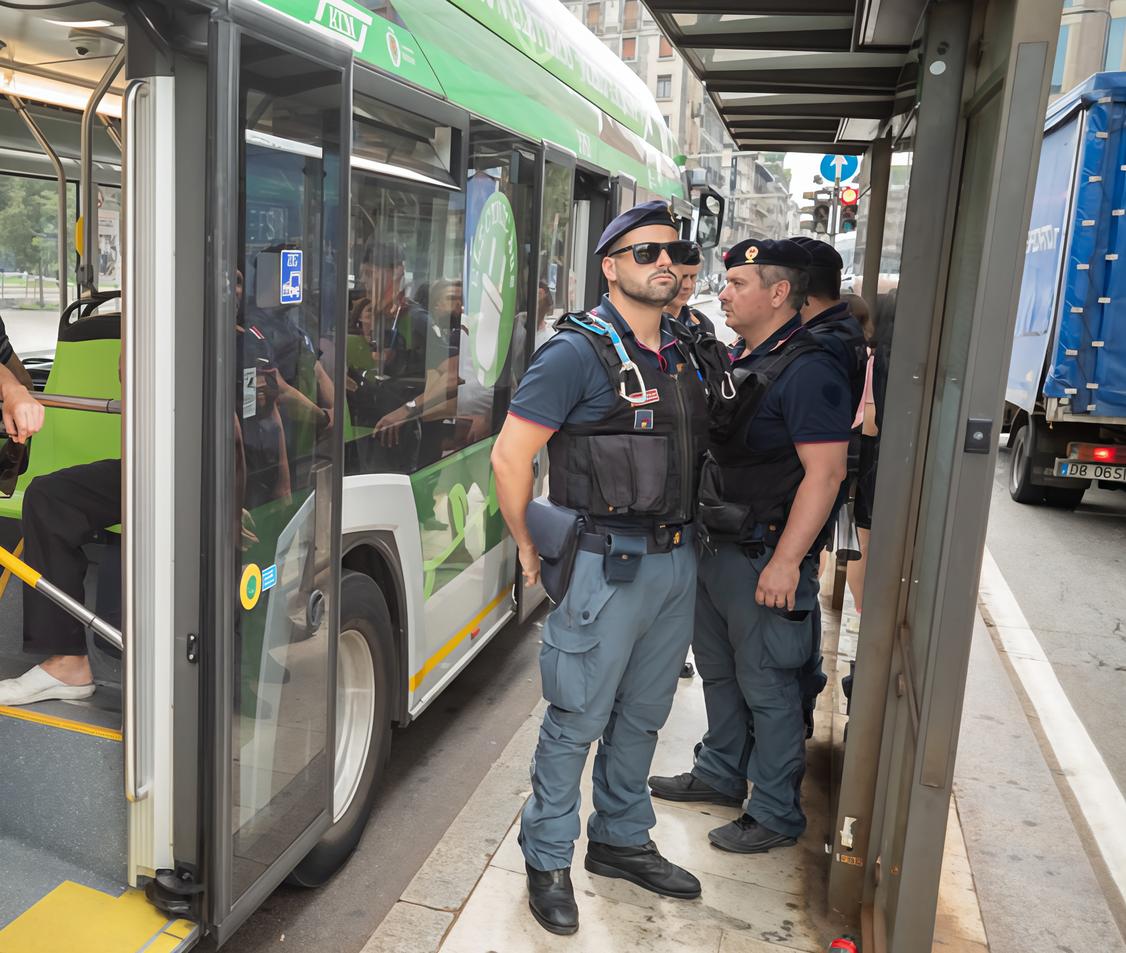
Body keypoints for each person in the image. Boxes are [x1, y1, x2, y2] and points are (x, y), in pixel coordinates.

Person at [491, 201, 708, 935]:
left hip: (675, 565)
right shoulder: (575, 352)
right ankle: (547, 856)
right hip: (604, 566)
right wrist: (527, 542)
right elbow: (511, 456)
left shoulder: (683, 350)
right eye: (646, 253)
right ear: (611, 266)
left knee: (645, 715)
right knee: (576, 718)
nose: (666, 264)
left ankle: (619, 838)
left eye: (677, 252)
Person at [648, 238, 850, 854]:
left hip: (765, 553)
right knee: (721, 672)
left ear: (779, 292)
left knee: (770, 683)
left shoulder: (809, 367)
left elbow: (827, 473)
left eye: (737, 283)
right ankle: (720, 772)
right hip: (720, 543)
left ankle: (774, 811)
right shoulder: (745, 355)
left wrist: (789, 561)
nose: (723, 294)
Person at [667, 258, 715, 335]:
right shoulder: (645, 325)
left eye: (693, 277)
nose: (688, 285)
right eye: (682, 277)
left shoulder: (702, 324)